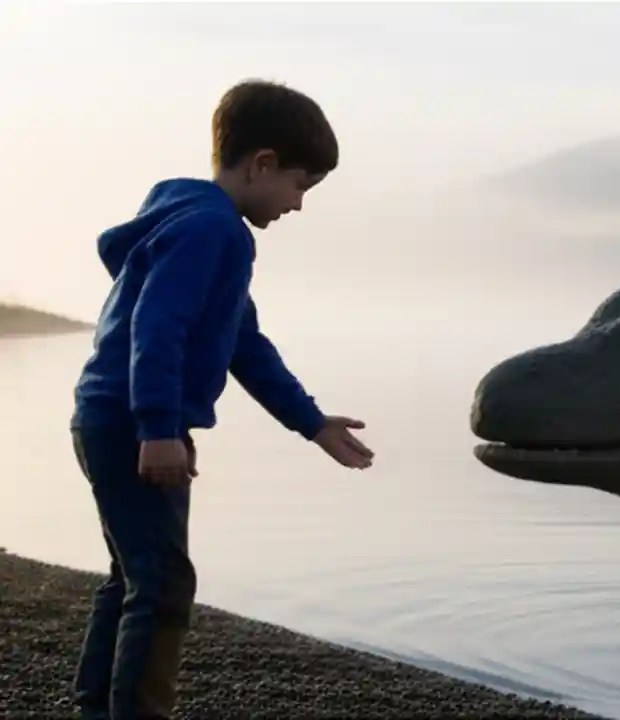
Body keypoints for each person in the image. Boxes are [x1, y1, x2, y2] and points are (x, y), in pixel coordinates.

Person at [68, 79, 375, 719]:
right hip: (133, 419)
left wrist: (311, 422)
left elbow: (244, 344)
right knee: (162, 583)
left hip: (115, 414)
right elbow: (158, 327)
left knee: (136, 577)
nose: (298, 205)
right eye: (300, 186)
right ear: (262, 164)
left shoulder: (194, 224)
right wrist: (156, 428)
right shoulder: (214, 231)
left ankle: (97, 710)